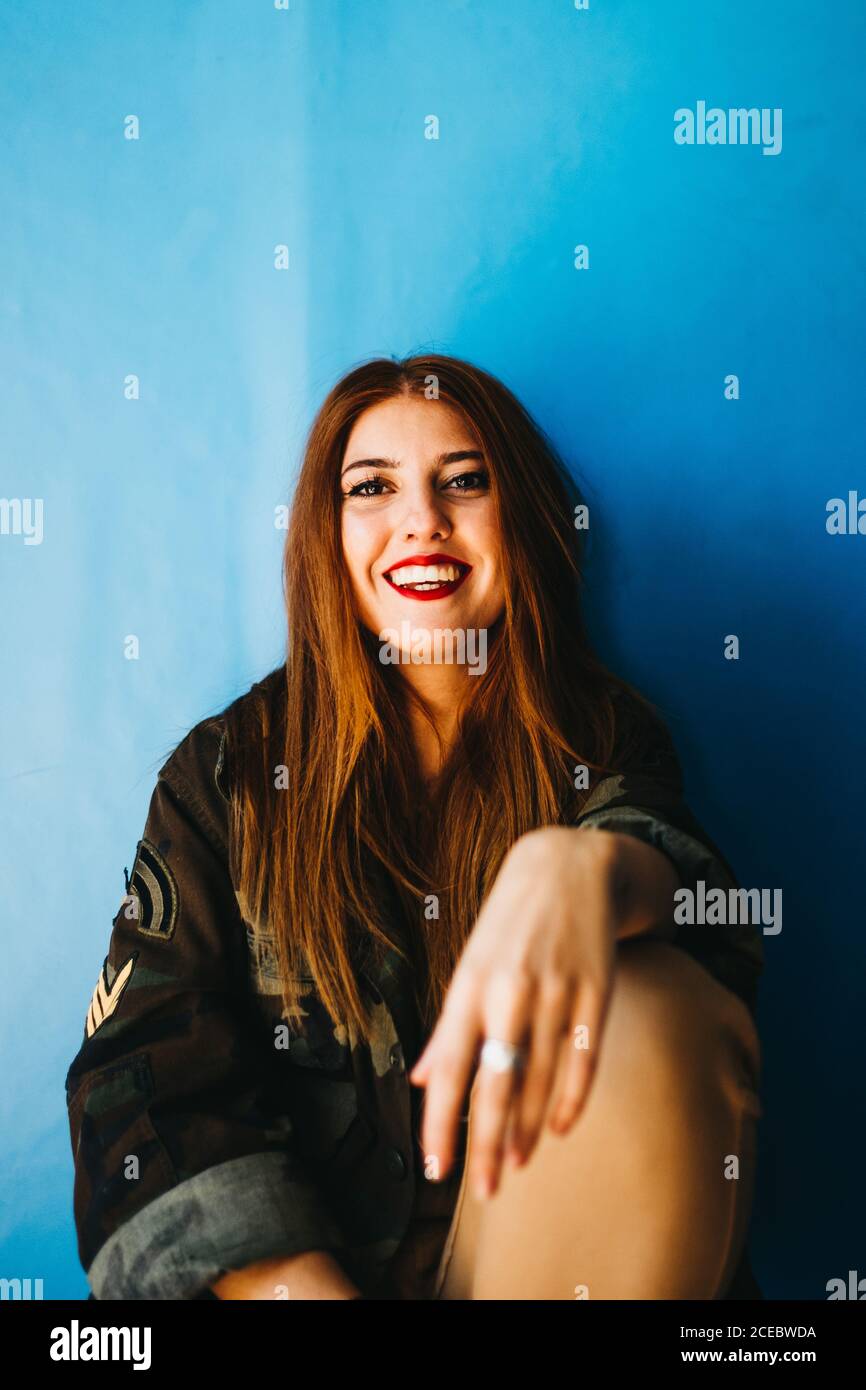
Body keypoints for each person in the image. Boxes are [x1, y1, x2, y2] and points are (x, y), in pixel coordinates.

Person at [65, 352, 763, 1300]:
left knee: (641, 997)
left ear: (521, 519)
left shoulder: (603, 735)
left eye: (464, 482)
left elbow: (695, 907)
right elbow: (139, 1083)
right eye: (372, 488)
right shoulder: (223, 774)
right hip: (306, 1286)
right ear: (326, 536)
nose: (422, 521)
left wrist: (587, 873)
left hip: (554, 1271)